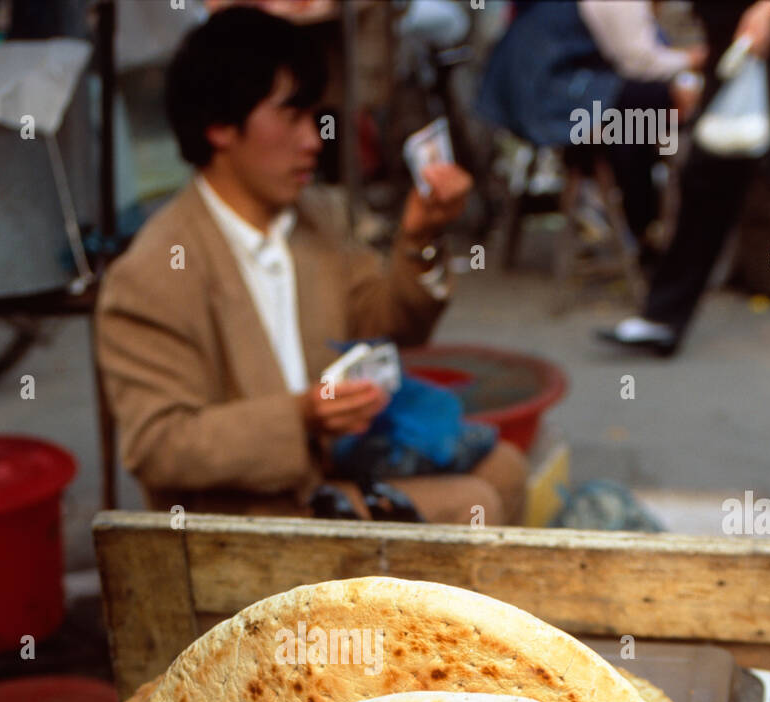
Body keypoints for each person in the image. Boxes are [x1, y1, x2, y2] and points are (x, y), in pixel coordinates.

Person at [94, 4, 527, 525]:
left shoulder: (319, 216)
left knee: (506, 469)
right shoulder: (152, 272)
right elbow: (159, 445)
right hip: (246, 515)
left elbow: (389, 324)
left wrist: (420, 236)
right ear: (219, 126)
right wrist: (301, 415)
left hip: (332, 476)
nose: (313, 141)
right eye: (291, 116)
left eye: (314, 116)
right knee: (472, 506)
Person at [599, 0, 770, 356]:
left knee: (746, 179)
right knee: (707, 180)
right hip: (735, 56)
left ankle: (663, 316)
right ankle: (663, 316)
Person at [476, 1, 704, 250]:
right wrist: (691, 62)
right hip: (543, 91)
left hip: (537, 82)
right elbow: (640, 61)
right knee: (641, 105)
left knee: (637, 110)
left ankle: (643, 219)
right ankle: (643, 223)